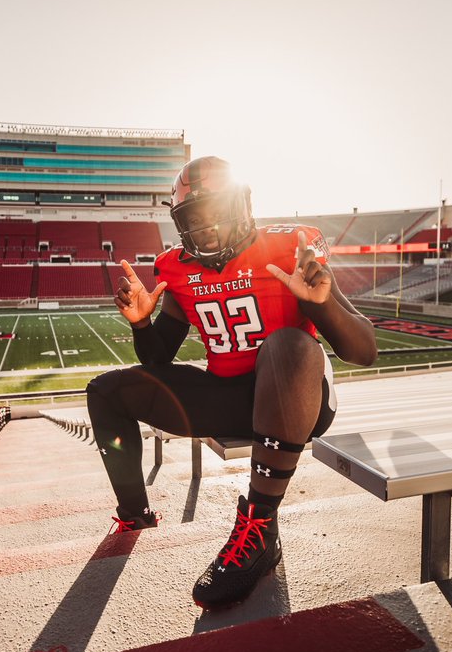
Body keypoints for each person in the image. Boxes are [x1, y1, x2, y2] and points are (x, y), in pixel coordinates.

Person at [86, 156, 378, 609]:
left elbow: (364, 351)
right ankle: (135, 516)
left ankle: (257, 528)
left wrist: (321, 306)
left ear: (242, 205)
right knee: (105, 390)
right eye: (193, 218)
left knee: (287, 345)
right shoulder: (178, 269)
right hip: (230, 393)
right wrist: (143, 326)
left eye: (215, 211)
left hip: (297, 394)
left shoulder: (289, 248)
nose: (205, 228)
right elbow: (158, 359)